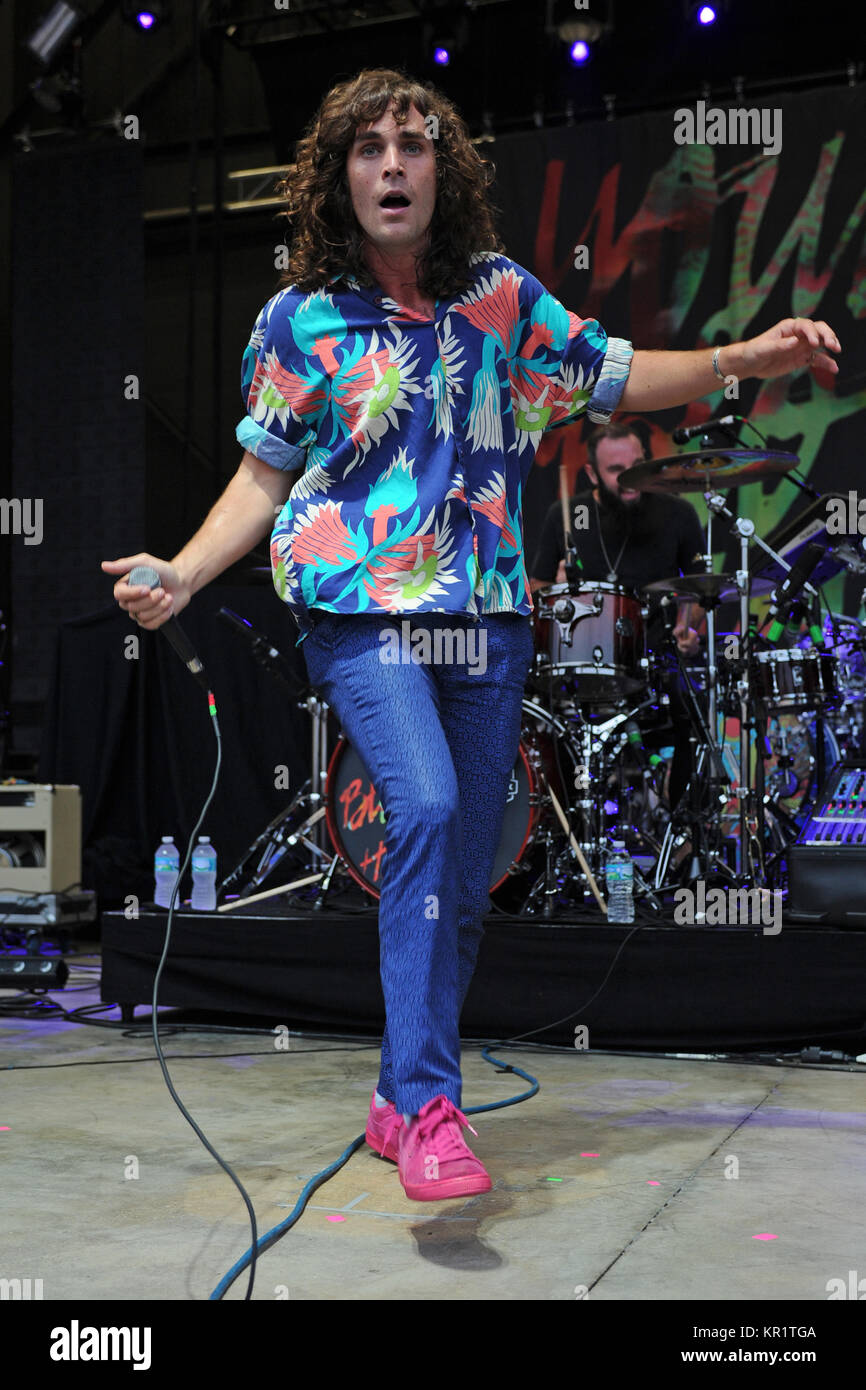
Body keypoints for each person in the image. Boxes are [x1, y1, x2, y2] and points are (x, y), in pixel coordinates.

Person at [102, 67, 840, 1203]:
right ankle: (431, 1099)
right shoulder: (301, 318)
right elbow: (263, 471)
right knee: (431, 807)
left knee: (467, 862)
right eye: (368, 149)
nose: (391, 165)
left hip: (485, 624)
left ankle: (401, 1102)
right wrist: (184, 572)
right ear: (336, 176)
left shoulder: (498, 298)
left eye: (412, 145)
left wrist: (741, 361)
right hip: (360, 612)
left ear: (442, 170)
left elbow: (615, 374)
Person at [529, 419, 707, 810]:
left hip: (656, 658)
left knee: (694, 713)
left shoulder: (677, 514)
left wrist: (687, 626)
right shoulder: (569, 515)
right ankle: (562, 828)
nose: (629, 477)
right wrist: (556, 588)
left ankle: (682, 827)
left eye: (637, 463)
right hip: (581, 661)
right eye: (615, 470)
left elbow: (701, 591)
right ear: (592, 472)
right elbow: (537, 587)